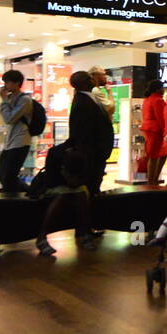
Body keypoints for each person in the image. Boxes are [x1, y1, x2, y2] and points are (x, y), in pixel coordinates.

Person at [34, 71, 115, 256]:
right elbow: (82, 132)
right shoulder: (82, 101)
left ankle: (85, 231)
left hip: (91, 156)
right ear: (81, 83)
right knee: (82, 192)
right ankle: (82, 232)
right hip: (88, 157)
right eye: (88, 79)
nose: (92, 80)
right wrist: (87, 156)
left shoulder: (87, 99)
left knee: (87, 193)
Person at [0, 69, 33, 194]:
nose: (5, 85)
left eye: (7, 82)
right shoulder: (11, 98)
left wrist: (4, 100)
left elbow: (9, 118)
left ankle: (26, 193)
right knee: (3, 176)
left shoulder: (25, 100)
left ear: (17, 83)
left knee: (9, 176)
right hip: (9, 142)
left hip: (20, 142)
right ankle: (27, 192)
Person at [140, 79, 167, 186]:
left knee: (153, 156)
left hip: (148, 130)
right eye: (162, 88)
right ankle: (152, 181)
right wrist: (166, 132)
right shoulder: (158, 100)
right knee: (156, 156)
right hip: (156, 131)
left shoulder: (147, 100)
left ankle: (152, 181)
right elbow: (161, 118)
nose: (163, 90)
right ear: (158, 89)